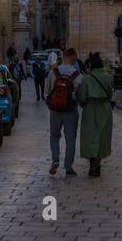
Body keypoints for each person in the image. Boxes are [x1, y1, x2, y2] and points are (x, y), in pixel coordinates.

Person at [45, 48, 84, 176]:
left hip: (55, 111)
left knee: (54, 136)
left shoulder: (53, 73)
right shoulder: (77, 76)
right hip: (70, 111)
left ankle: (55, 160)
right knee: (70, 139)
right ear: (73, 57)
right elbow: (80, 96)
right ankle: (68, 167)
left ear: (63, 56)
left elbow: (47, 91)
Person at [78, 53, 115, 177]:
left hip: (90, 108)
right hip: (105, 108)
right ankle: (97, 162)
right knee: (102, 136)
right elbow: (110, 94)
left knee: (90, 137)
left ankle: (93, 161)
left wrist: (83, 104)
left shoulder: (86, 78)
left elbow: (82, 97)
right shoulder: (108, 77)